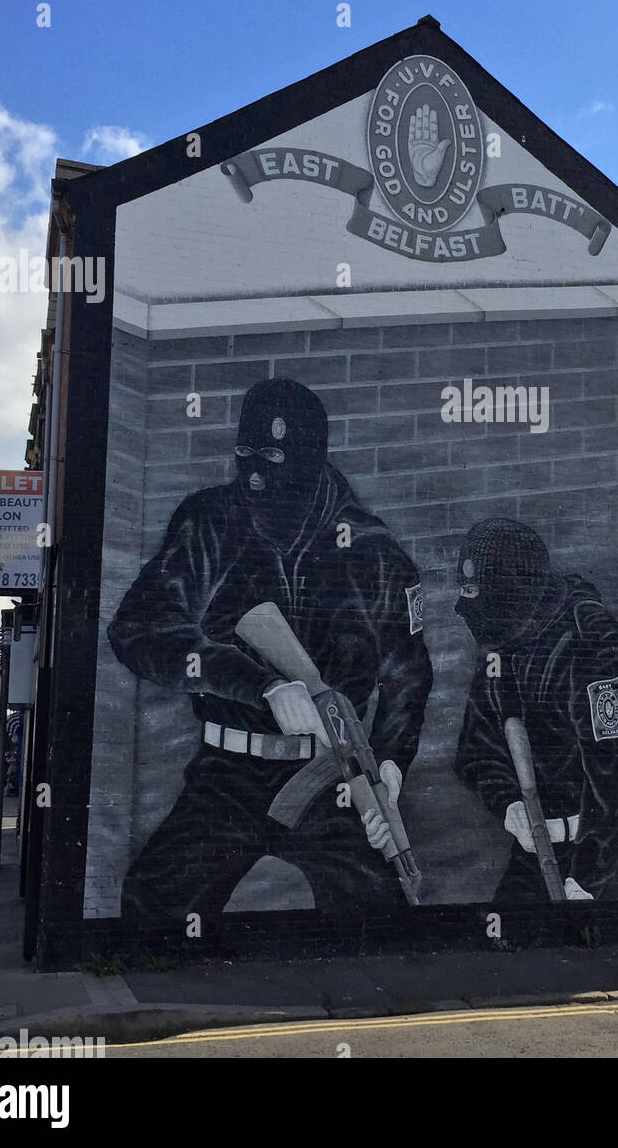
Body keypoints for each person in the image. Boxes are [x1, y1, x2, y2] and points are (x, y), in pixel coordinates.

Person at [108, 378, 433, 922]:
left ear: (312, 455)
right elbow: (138, 630)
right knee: (151, 905)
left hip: (333, 774)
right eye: (245, 454)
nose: (255, 472)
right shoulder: (208, 523)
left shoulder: (374, 552)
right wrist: (262, 684)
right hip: (225, 774)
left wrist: (389, 768)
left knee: (381, 913)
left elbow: (408, 675)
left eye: (274, 455)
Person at [452, 518, 618, 903]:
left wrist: (588, 880)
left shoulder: (591, 651)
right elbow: (477, 747)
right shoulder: (504, 643)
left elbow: (615, 777)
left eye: (478, 594)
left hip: (604, 858)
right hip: (539, 852)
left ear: (510, 594)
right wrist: (508, 801)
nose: (463, 609)